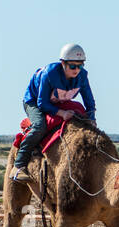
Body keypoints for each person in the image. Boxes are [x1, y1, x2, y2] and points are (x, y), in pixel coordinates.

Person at [11, 43, 97, 183]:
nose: (76, 70)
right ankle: (19, 166)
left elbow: (89, 101)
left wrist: (92, 118)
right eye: (73, 66)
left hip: (59, 101)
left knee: (83, 119)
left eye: (80, 65)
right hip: (34, 102)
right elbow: (42, 103)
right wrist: (62, 113)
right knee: (40, 126)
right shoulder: (49, 74)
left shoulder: (82, 76)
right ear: (63, 63)